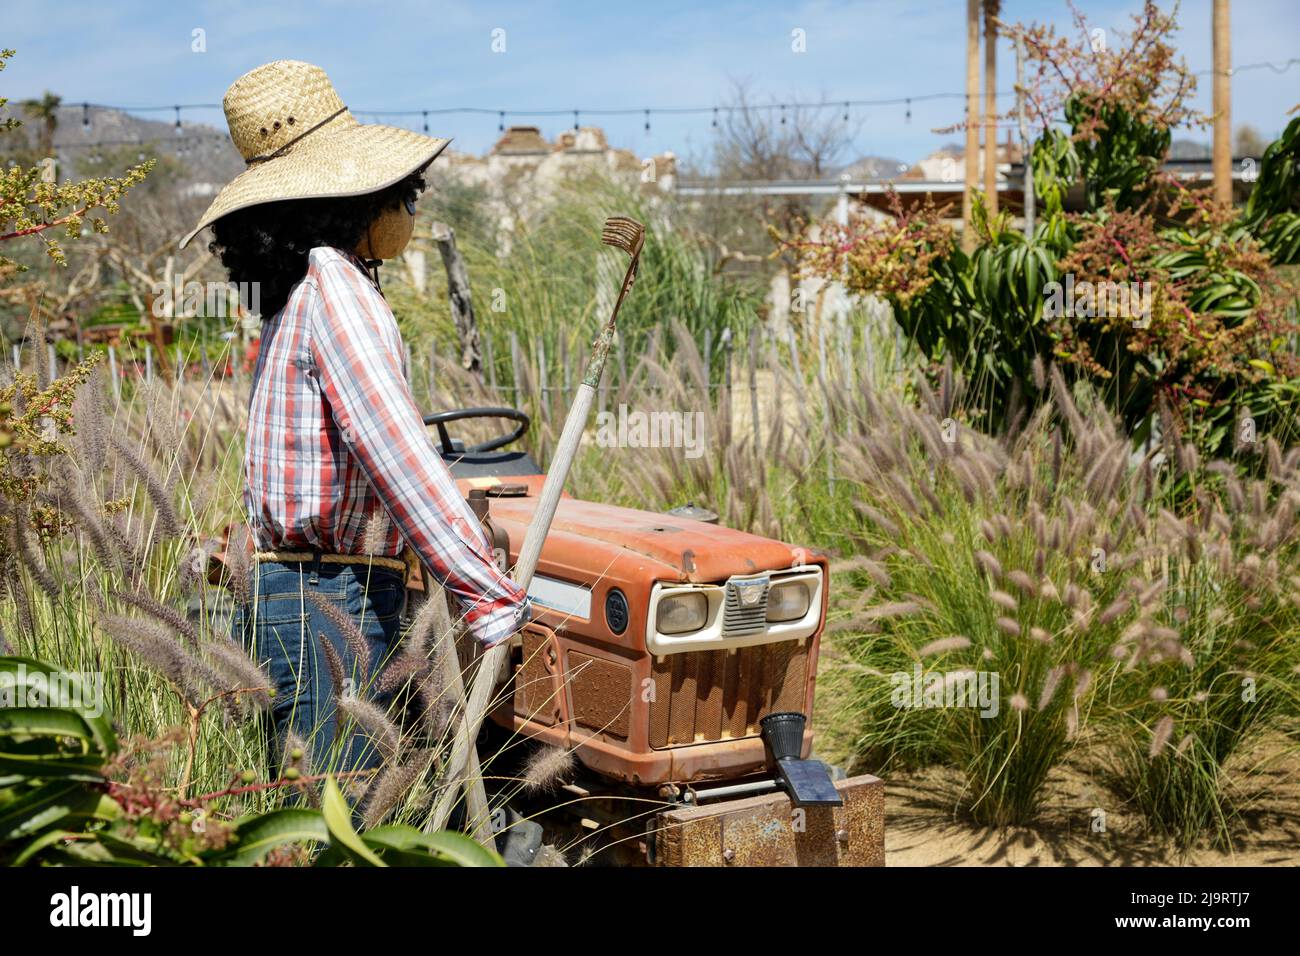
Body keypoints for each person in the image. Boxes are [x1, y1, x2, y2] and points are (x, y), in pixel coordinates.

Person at [179, 60, 531, 772]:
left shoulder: (300, 293)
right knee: (338, 816)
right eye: (403, 196)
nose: (411, 212)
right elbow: (395, 452)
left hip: (306, 592)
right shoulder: (338, 291)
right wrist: (487, 595)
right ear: (355, 203)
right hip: (327, 599)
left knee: (317, 805)